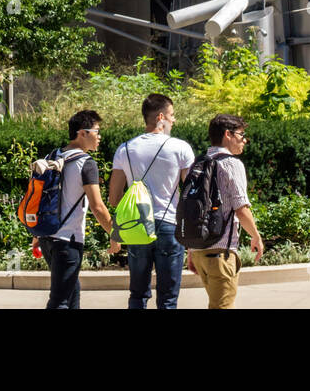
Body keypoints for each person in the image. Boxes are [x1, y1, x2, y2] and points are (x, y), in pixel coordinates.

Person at [107, 93, 196, 309]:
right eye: (172, 115)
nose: (174, 120)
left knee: (137, 294)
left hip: (137, 226)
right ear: (161, 117)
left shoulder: (125, 149)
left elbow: (114, 198)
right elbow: (192, 195)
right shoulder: (180, 148)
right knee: (168, 298)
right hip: (169, 226)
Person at [34, 110, 119, 309]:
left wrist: (36, 236)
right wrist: (114, 234)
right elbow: (98, 207)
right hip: (67, 242)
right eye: (96, 131)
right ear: (82, 133)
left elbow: (42, 198)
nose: (99, 136)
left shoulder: (53, 156)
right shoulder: (86, 163)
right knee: (60, 302)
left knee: (72, 294)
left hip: (47, 237)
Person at [185, 114, 264, 309]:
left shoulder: (198, 163)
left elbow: (190, 208)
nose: (244, 140)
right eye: (241, 134)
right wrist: (256, 236)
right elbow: (241, 208)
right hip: (220, 252)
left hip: (199, 252)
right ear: (228, 134)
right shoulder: (231, 164)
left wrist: (191, 250)